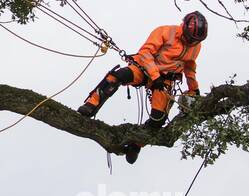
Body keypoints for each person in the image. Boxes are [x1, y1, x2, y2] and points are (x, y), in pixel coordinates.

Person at [77, 11, 207, 131]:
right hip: (144, 68)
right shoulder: (165, 31)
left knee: (158, 119)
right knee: (117, 76)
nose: (192, 42)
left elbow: (189, 67)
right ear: (184, 28)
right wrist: (155, 76)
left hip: (165, 80)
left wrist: (193, 89)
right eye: (191, 38)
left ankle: (136, 144)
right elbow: (146, 53)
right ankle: (91, 105)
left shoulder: (196, 47)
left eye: (196, 40)